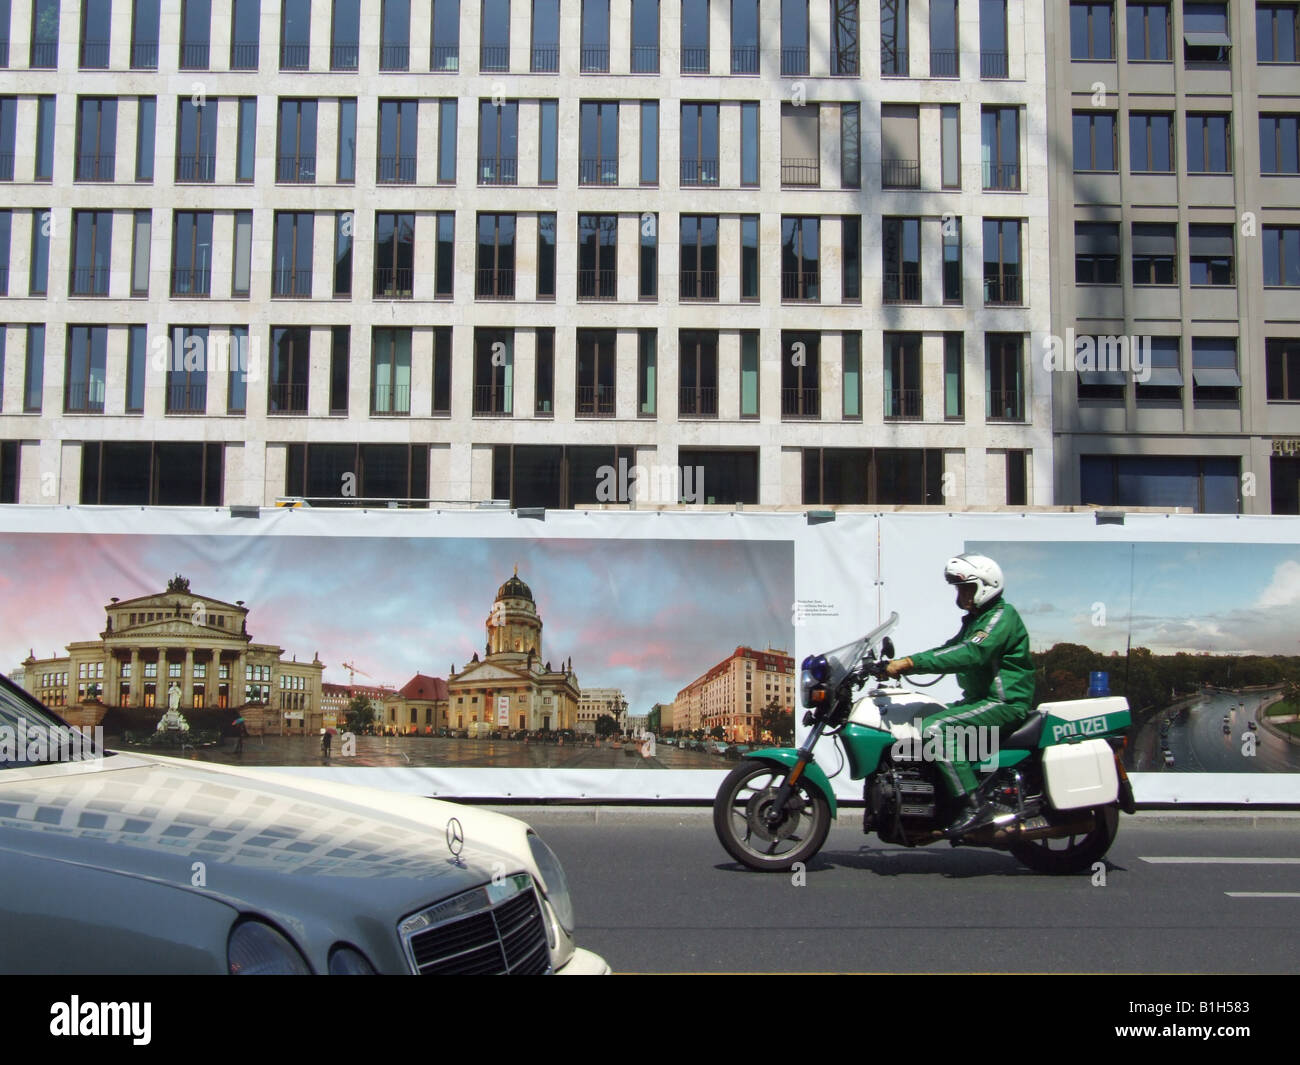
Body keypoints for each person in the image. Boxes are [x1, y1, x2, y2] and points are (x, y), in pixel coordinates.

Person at [885, 553, 1036, 838]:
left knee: (938, 729)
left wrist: (908, 664)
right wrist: (900, 662)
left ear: (986, 585)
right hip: (980, 702)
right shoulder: (977, 621)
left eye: (967, 587)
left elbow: (972, 652)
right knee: (920, 719)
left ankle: (975, 806)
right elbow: (948, 649)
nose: (962, 594)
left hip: (1003, 703)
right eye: (959, 589)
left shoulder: (1002, 617)